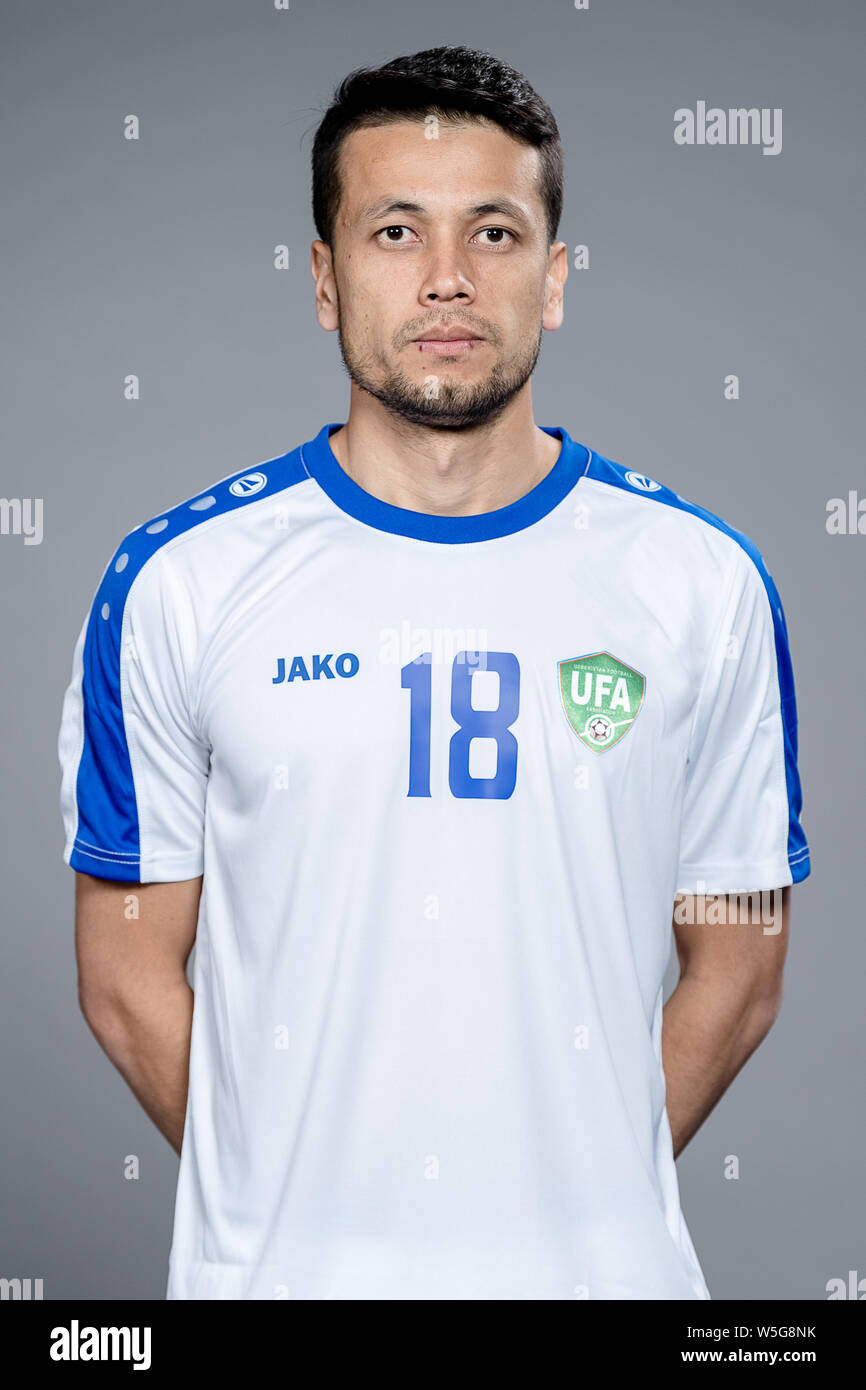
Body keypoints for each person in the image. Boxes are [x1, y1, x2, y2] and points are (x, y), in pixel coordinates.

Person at [57, 45, 810, 1300]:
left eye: (496, 234)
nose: (447, 279)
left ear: (556, 279)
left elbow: (738, 959)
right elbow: (126, 975)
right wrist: (291, 1193)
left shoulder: (701, 583)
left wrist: (561, 1193)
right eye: (395, 230)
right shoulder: (176, 582)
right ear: (322, 277)